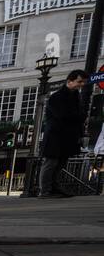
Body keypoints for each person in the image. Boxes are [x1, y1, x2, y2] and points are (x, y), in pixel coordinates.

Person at [39, 69, 87, 198]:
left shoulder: (76, 96)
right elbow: (63, 115)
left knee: (61, 163)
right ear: (69, 81)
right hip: (55, 136)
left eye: (83, 82)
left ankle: (54, 188)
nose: (81, 84)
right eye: (79, 81)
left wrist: (80, 133)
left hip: (67, 136)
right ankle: (45, 191)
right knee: (51, 163)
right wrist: (78, 117)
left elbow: (79, 116)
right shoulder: (56, 97)